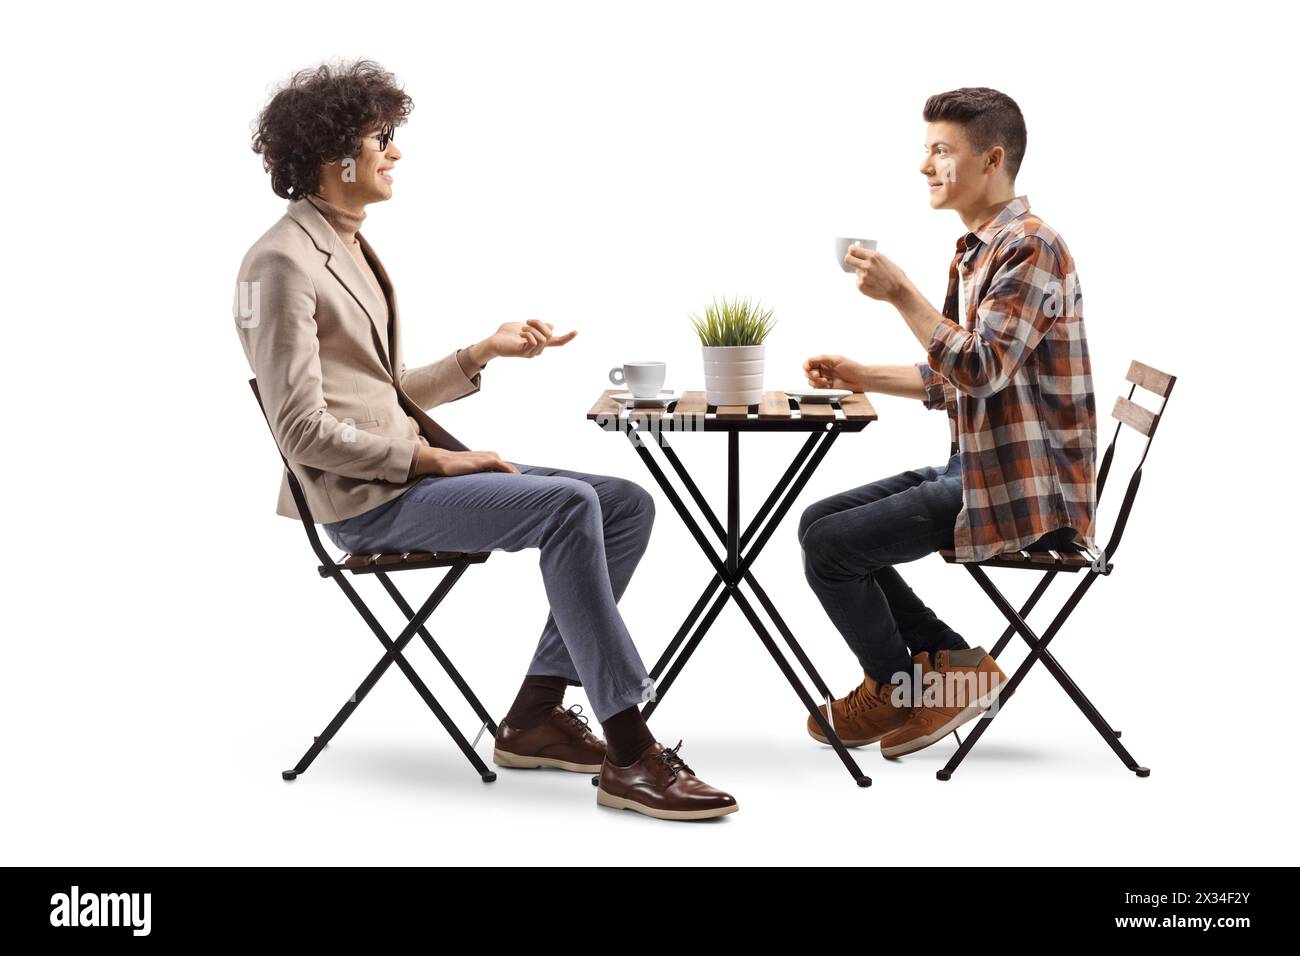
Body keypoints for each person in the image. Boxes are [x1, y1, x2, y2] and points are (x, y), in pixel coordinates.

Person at [234, 59, 736, 820]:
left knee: (624, 502)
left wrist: (481, 354)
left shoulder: (346, 244)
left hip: (408, 474)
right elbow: (301, 428)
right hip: (363, 499)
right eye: (382, 138)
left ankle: (535, 714)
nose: (395, 153)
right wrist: (434, 457)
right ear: (336, 154)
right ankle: (631, 750)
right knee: (568, 505)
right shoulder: (280, 260)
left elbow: (378, 389)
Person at [798, 87, 1098, 759]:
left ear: (991, 160)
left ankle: (900, 684)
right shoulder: (977, 250)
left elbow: (981, 368)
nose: (925, 165)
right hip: (985, 469)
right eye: (926, 149)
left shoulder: (1031, 247)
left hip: (1027, 493)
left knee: (832, 550)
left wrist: (901, 295)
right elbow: (949, 375)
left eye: (941, 151)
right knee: (817, 522)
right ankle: (949, 666)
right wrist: (860, 375)